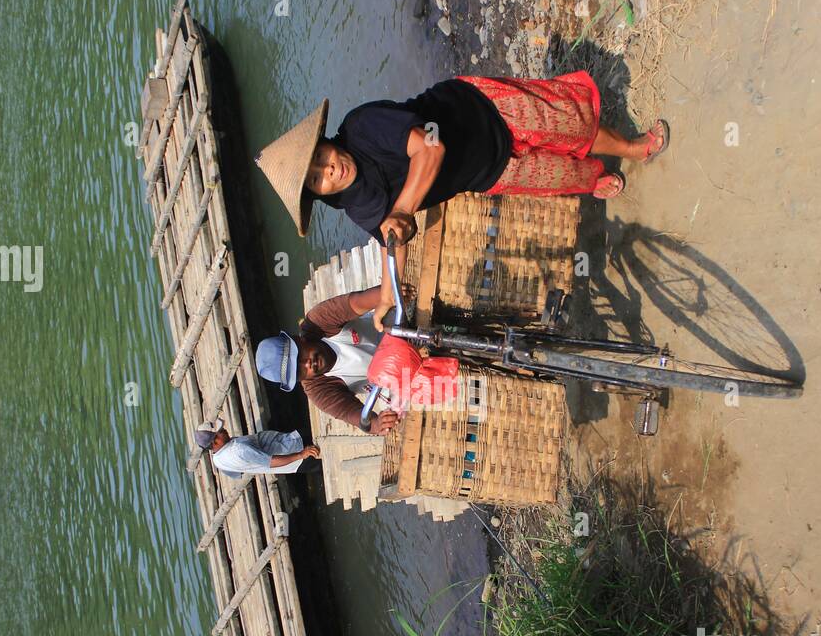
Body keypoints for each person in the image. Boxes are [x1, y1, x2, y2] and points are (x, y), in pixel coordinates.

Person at [255, 71, 669, 326]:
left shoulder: (362, 126)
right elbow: (390, 238)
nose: (329, 171)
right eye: (317, 180)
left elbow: (430, 148)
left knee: (567, 127)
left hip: (479, 110)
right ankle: (592, 177)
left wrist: (401, 209)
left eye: (321, 158)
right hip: (482, 170)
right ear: (319, 195)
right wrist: (387, 294)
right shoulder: (355, 202)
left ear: (326, 141)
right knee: (555, 176)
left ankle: (633, 148)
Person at [254, 285, 400, 435]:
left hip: (397, 327)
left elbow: (361, 301)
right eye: (299, 371)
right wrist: (377, 424)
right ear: (299, 379)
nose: (307, 364)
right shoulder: (318, 391)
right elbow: (355, 416)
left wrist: (388, 295)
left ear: (299, 340)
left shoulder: (317, 322)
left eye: (299, 356)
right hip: (399, 374)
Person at [193, 420, 321, 479]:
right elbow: (271, 462)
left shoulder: (218, 460)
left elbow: (237, 474)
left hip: (291, 449)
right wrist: (301, 454)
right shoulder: (239, 450)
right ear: (215, 442)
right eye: (220, 432)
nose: (224, 430)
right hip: (296, 448)